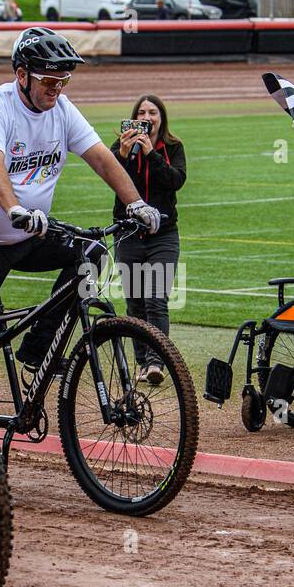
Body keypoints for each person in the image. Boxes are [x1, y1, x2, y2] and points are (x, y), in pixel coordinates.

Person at [0, 26, 162, 467]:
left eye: (63, 82)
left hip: (28, 235)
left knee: (93, 255)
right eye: (48, 81)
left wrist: (136, 202)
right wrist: (15, 208)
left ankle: (37, 351)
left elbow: (100, 154)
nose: (56, 90)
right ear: (21, 75)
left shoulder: (61, 109)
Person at [111, 93, 186, 384]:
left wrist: (151, 154)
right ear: (134, 117)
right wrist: (123, 155)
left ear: (161, 118)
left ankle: (157, 361)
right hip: (128, 233)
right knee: (135, 303)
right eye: (141, 112)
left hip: (162, 234)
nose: (146, 117)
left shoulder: (173, 147)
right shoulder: (120, 147)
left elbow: (174, 181)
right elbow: (114, 181)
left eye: (152, 112)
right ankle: (142, 361)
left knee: (156, 299)